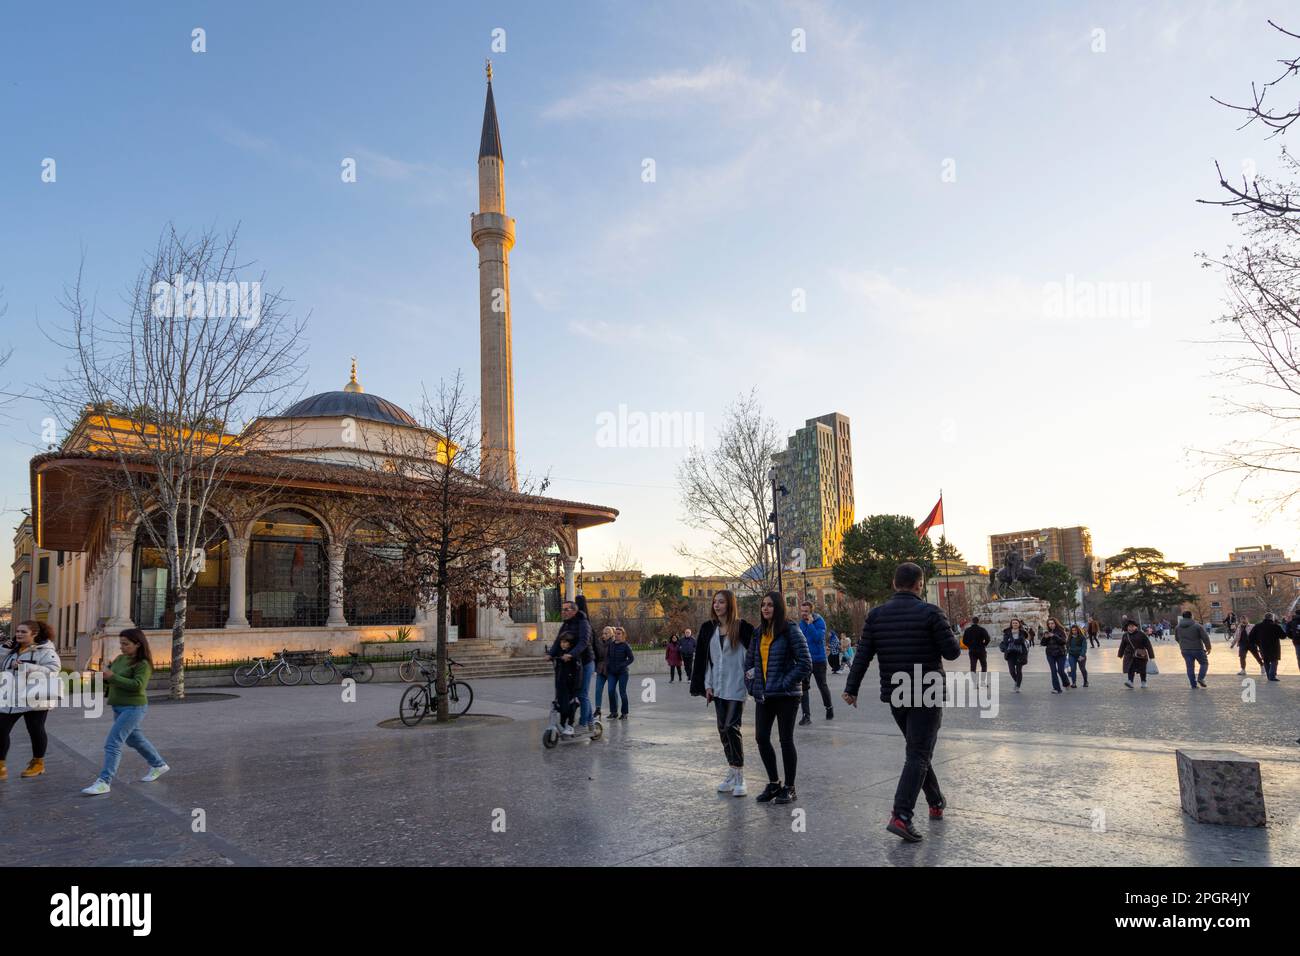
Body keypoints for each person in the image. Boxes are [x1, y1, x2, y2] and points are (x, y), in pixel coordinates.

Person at [843, 562, 961, 843]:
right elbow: (953, 652)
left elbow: (863, 655)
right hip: (926, 691)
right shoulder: (932, 613)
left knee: (917, 750)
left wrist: (851, 688)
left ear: (894, 584)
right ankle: (901, 815)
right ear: (919, 584)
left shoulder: (876, 615)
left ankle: (935, 801)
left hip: (897, 693)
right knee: (919, 754)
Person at [81, 629, 169, 795]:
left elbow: (138, 685)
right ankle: (158, 764)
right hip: (118, 706)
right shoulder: (120, 659)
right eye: (121, 643)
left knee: (113, 743)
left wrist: (112, 676)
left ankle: (104, 782)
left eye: (125, 644)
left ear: (138, 644)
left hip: (134, 707)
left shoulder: (143, 664)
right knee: (134, 740)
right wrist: (101, 677)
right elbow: (112, 681)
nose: (121, 647)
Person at [744, 591, 811, 806]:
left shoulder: (790, 630)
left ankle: (790, 788)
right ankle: (774, 783)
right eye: (763, 605)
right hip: (764, 695)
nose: (765, 608)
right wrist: (752, 686)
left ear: (778, 607)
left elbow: (805, 663)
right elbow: (750, 664)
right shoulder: (758, 633)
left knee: (785, 740)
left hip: (786, 696)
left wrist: (784, 683)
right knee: (761, 738)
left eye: (770, 605)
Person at [690, 590, 755, 797]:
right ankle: (732, 770)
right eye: (715, 602)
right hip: (717, 687)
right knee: (722, 729)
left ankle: (740, 776)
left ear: (730, 605)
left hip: (736, 686)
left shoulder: (742, 628)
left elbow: (753, 657)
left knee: (731, 726)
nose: (717, 605)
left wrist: (751, 679)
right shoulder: (709, 629)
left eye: (721, 602)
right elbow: (707, 660)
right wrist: (706, 685)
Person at [0, 620, 61, 780]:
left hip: (34, 696)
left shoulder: (45, 651)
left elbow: (53, 670)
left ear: (34, 634)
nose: (18, 634)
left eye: (23, 632)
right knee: (1, 730)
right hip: (10, 696)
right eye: (18, 631)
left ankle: (38, 763)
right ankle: (1, 767)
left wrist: (26, 667)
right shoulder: (12, 650)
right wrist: (4, 650)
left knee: (35, 729)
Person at [546, 599, 593, 729]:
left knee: (582, 694)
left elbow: (584, 642)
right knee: (573, 693)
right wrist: (550, 654)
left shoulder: (583, 623)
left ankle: (584, 723)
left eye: (566, 609)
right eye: (563, 609)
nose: (564, 612)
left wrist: (571, 654)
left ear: (574, 610)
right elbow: (557, 642)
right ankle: (590, 720)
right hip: (572, 664)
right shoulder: (565, 625)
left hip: (585, 662)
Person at [797, 601, 833, 724]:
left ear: (811, 612)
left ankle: (829, 707)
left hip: (819, 660)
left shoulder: (820, 622)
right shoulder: (801, 623)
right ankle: (806, 716)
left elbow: (818, 639)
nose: (803, 614)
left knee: (822, 686)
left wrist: (811, 624)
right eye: (802, 611)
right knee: (804, 688)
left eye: (806, 611)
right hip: (805, 660)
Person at [552, 634, 582, 735]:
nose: (562, 644)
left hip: (571, 685)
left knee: (571, 705)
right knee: (561, 706)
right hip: (561, 685)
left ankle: (570, 725)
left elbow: (578, 671)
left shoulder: (573, 655)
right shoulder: (560, 653)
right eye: (561, 642)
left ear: (570, 644)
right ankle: (562, 724)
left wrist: (576, 686)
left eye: (565, 642)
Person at [1175, 610, 1211, 689]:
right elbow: (1205, 637)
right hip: (1197, 648)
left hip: (1185, 650)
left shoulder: (1177, 627)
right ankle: (1201, 678)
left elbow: (1177, 638)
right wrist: (1208, 647)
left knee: (1190, 667)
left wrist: (1183, 644)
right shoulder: (1197, 626)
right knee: (1204, 663)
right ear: (1191, 616)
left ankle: (1193, 685)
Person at [605, 628, 635, 719]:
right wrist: (609, 665)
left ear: (623, 635)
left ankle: (624, 713)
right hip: (612, 673)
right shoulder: (611, 645)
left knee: (622, 692)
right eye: (616, 633)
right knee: (611, 691)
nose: (617, 635)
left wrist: (622, 665)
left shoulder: (625, 646)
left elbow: (631, 658)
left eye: (619, 633)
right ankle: (613, 712)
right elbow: (608, 657)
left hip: (623, 673)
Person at [1119, 621, 1154, 689]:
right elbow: (1122, 645)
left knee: (1142, 669)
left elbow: (1148, 645)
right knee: (1130, 668)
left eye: (1132, 626)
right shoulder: (1125, 635)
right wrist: (1120, 654)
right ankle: (1130, 681)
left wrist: (1151, 655)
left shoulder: (1141, 634)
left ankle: (1143, 682)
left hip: (1140, 655)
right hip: (1129, 655)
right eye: (1129, 627)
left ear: (1136, 627)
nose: (1130, 628)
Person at [1252, 612, 1285, 682]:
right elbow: (1283, 636)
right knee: (1274, 661)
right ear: (1272, 618)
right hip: (1274, 647)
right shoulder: (1275, 626)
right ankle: (1272, 676)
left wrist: (1257, 643)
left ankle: (1269, 676)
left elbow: (1251, 637)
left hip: (1262, 647)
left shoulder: (1258, 626)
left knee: (1266, 661)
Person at [1041, 618, 1071, 693]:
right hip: (1050, 654)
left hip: (1060, 653)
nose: (1051, 625)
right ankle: (1057, 688)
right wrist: (1045, 638)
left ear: (1056, 623)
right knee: (1053, 671)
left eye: (1052, 623)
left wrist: (1054, 636)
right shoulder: (1047, 632)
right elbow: (1043, 644)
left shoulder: (1061, 631)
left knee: (1060, 671)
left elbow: (1063, 642)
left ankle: (1066, 683)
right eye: (1049, 624)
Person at [999, 618, 1030, 692]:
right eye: (1013, 623)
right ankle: (1018, 681)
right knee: (1011, 670)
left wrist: (1012, 641)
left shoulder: (1022, 632)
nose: (1015, 624)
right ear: (1011, 624)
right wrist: (1015, 641)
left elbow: (1022, 640)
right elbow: (1005, 641)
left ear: (1019, 624)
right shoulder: (1007, 632)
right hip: (1010, 653)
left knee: (1019, 670)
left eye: (1016, 623)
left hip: (1020, 653)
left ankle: (1017, 686)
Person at [592, 626, 613, 721]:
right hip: (600, 669)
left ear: (611, 634)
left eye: (606, 633)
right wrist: (595, 668)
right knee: (598, 689)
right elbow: (595, 656)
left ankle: (614, 710)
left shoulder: (614, 643)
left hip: (611, 669)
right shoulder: (599, 643)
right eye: (603, 633)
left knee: (611, 691)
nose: (604, 635)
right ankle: (598, 709)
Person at [1066, 624, 1089, 688]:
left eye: (1075, 630)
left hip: (1080, 655)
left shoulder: (1082, 637)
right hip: (1072, 655)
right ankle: (1074, 683)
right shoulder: (1070, 637)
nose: (1074, 631)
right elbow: (1067, 646)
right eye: (1072, 630)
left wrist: (1082, 655)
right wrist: (1067, 651)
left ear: (1078, 630)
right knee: (1073, 669)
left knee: (1082, 669)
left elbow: (1084, 647)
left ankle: (1085, 681)